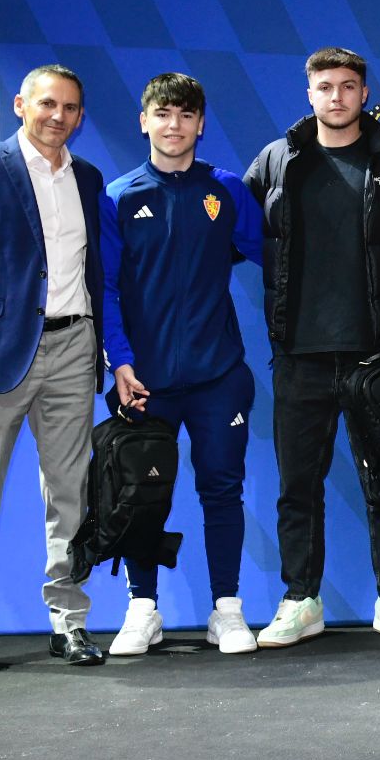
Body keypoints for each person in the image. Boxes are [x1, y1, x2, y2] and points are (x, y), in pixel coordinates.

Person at [244, 47, 380, 648]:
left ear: (361, 93)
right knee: (297, 485)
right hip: (299, 355)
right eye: (325, 86)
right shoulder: (278, 161)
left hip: (377, 355)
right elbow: (232, 228)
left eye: (348, 86)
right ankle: (301, 599)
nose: (336, 96)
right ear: (309, 93)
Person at [0, 64, 107, 680]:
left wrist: (101, 349)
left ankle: (70, 622)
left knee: (71, 497)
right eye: (48, 104)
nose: (59, 116)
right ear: (20, 105)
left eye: (71, 108)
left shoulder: (87, 177)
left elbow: (92, 269)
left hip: (73, 348)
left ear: (81, 117)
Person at [100, 73, 265, 656]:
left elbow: (276, 255)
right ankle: (143, 609)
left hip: (219, 377)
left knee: (222, 491)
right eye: (163, 114)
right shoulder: (118, 197)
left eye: (186, 115)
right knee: (143, 495)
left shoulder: (224, 190)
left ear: (200, 123)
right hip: (142, 379)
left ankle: (227, 610)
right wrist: (119, 360)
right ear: (143, 121)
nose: (174, 125)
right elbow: (107, 292)